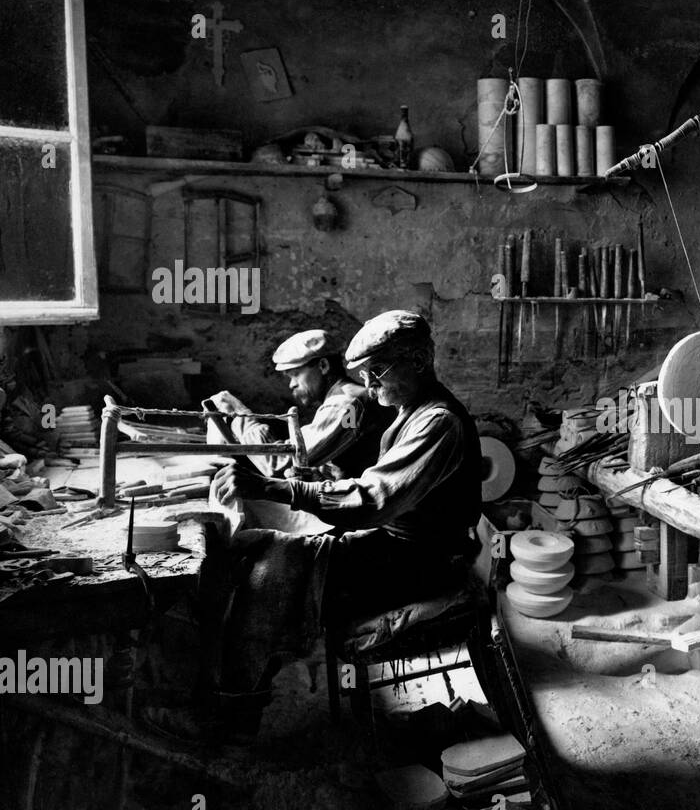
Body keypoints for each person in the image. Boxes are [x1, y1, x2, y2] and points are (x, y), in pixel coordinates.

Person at [148, 311, 483, 742]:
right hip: (397, 544)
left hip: (423, 562)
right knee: (273, 554)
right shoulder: (408, 410)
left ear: (418, 361)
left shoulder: (438, 422)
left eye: (377, 372)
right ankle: (232, 694)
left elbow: (372, 500)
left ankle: (230, 719)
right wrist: (308, 488)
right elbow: (369, 492)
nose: (370, 384)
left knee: (270, 574)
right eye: (365, 374)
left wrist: (276, 487)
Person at [206, 329, 392, 479]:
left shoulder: (345, 405)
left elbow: (279, 464)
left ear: (323, 366)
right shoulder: (352, 396)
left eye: (295, 374)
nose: (291, 384)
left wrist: (240, 415)